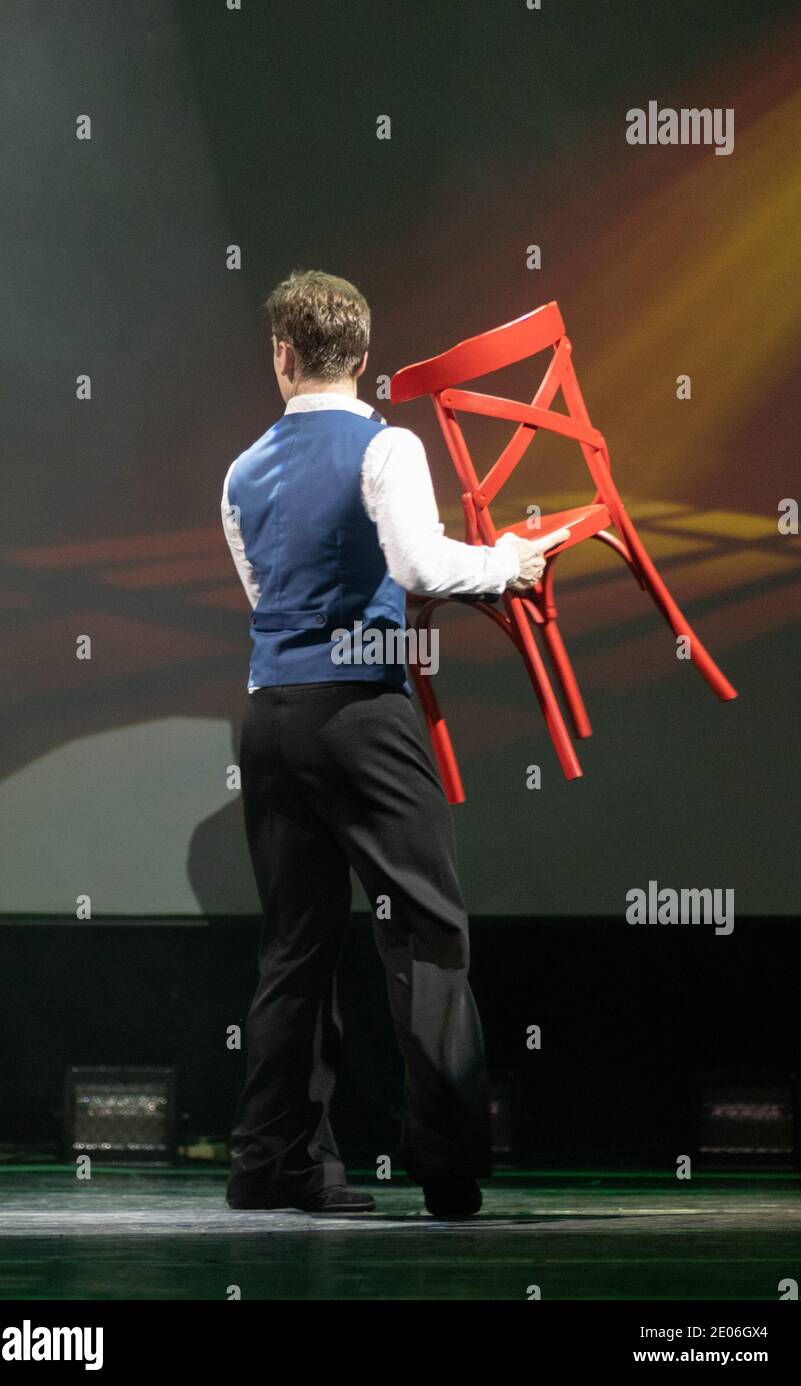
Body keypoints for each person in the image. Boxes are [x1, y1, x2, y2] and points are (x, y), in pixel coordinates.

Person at [220, 269, 546, 1217]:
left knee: (294, 947)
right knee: (428, 931)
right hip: (360, 711)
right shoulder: (386, 444)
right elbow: (418, 564)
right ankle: (446, 1164)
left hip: (273, 715)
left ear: (282, 355)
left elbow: (265, 598)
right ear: (363, 359)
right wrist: (509, 565)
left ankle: (272, 1164)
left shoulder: (240, 472)